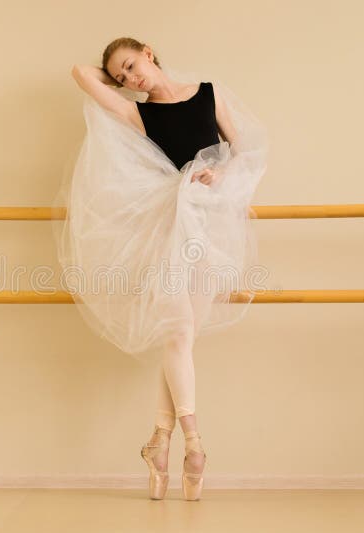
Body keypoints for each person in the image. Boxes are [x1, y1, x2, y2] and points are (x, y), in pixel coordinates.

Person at [54, 37, 269, 501]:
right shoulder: (140, 114)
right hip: (170, 231)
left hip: (210, 230)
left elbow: (244, 153)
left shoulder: (209, 93)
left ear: (150, 52)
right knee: (177, 335)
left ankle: (159, 445)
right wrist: (120, 80)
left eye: (132, 65)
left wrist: (221, 174)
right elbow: (80, 73)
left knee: (182, 337)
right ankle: (195, 443)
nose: (130, 79)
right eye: (122, 76)